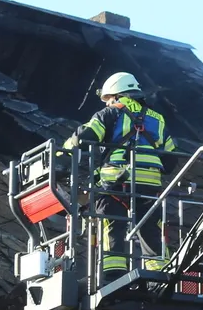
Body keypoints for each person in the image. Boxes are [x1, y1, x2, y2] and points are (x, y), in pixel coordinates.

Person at [63, 72, 177, 283]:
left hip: (116, 182)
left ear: (116, 95)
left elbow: (84, 138)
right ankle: (159, 275)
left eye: (108, 99)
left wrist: (65, 150)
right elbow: (170, 160)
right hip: (150, 186)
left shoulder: (110, 113)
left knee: (111, 224)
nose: (108, 103)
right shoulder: (158, 119)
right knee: (151, 230)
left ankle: (113, 273)